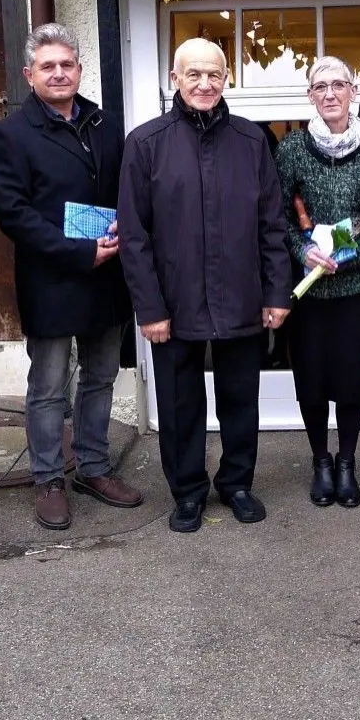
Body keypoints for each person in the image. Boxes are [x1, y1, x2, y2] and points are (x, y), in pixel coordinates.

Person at [118, 38, 293, 533]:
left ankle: (237, 483)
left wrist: (277, 292)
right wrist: (150, 308)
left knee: (240, 399)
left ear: (226, 78)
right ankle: (188, 491)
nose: (204, 83)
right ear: (174, 79)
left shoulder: (251, 140)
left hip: (242, 296)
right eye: (193, 74)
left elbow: (272, 224)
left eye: (214, 74)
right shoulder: (146, 143)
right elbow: (134, 235)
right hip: (173, 303)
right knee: (180, 404)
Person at [0, 23, 142, 532]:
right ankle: (49, 478)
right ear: (29, 74)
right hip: (52, 276)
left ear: (79, 69)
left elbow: (127, 191)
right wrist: (78, 252)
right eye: (47, 66)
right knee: (49, 385)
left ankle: (93, 468)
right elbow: (14, 215)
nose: (59, 73)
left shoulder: (106, 124)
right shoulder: (9, 135)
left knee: (100, 377)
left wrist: (123, 226)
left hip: (108, 274)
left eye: (67, 64)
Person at [276, 56, 360, 508]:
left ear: (353, 91)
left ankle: (346, 462)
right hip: (308, 292)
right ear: (310, 95)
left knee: (351, 379)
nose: (330, 93)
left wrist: (345, 256)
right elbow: (276, 216)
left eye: (338, 85)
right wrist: (303, 251)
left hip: (355, 288)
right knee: (310, 381)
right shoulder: (292, 149)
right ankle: (320, 462)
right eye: (320, 86)